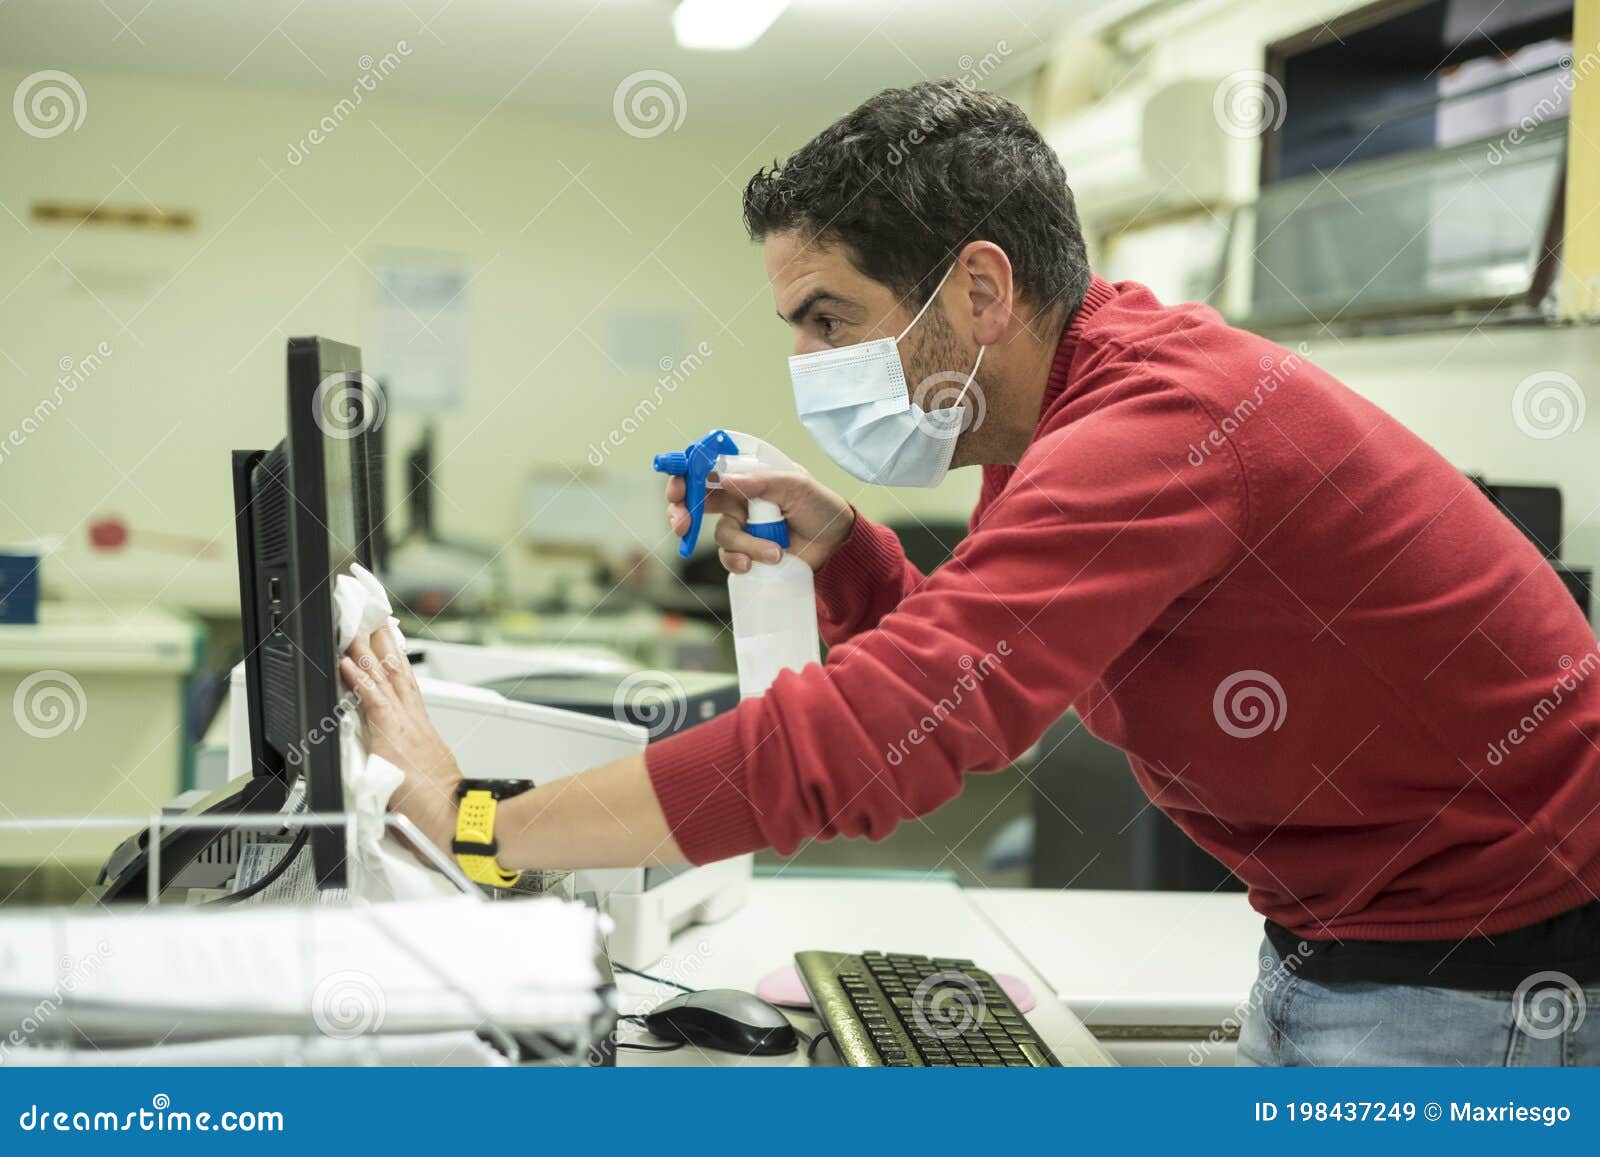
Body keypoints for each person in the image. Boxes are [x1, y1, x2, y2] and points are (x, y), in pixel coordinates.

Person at [344, 80, 1600, 1066]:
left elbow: (897, 728)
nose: (801, 358)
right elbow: (984, 680)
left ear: (982, 288)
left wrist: (478, 819)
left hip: (1481, 969)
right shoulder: (1063, 414)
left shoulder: (1156, 430)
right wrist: (843, 541)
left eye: (826, 317)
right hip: (1349, 937)